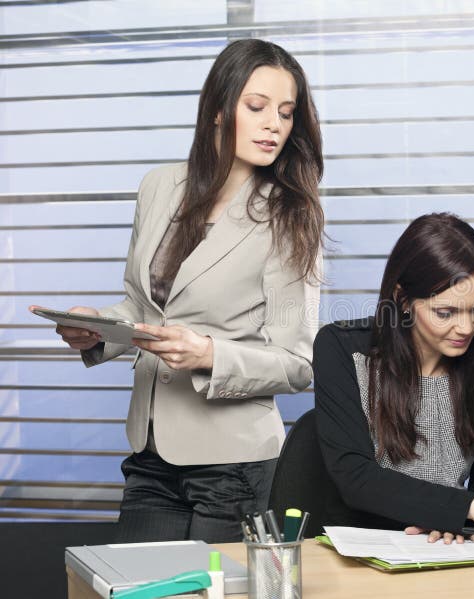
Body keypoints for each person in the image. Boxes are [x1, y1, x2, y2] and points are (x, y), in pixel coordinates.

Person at [33, 39, 324, 542]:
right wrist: (95, 328)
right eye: (256, 107)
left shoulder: (288, 216)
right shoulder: (157, 186)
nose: (274, 124)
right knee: (135, 590)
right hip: (151, 454)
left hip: (236, 465)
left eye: (285, 112)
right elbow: (144, 309)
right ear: (216, 109)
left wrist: (209, 354)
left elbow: (298, 362)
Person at [313, 213, 474, 550]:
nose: (467, 327)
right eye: (445, 313)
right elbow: (355, 477)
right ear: (403, 300)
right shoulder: (341, 348)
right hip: (361, 551)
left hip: (447, 550)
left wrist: (456, 523)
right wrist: (462, 508)